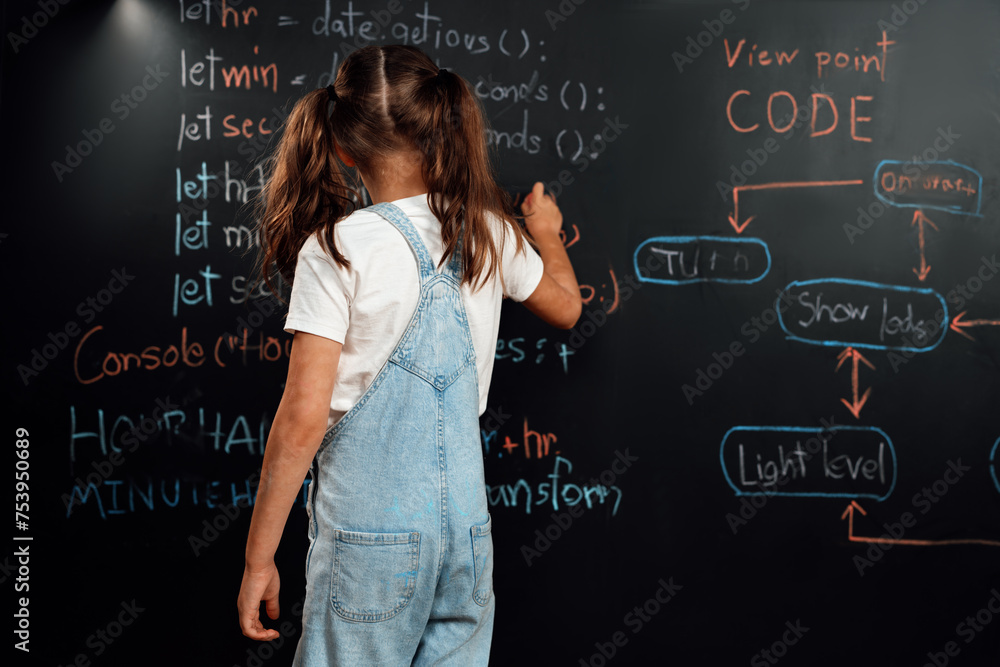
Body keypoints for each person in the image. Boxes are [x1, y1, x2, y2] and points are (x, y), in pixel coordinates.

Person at [237, 44, 581, 665]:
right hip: (468, 538)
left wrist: (260, 557)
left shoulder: (339, 247)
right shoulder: (488, 230)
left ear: (342, 147)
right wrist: (548, 236)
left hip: (372, 544)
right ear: (439, 127)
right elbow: (566, 307)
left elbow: (301, 420)